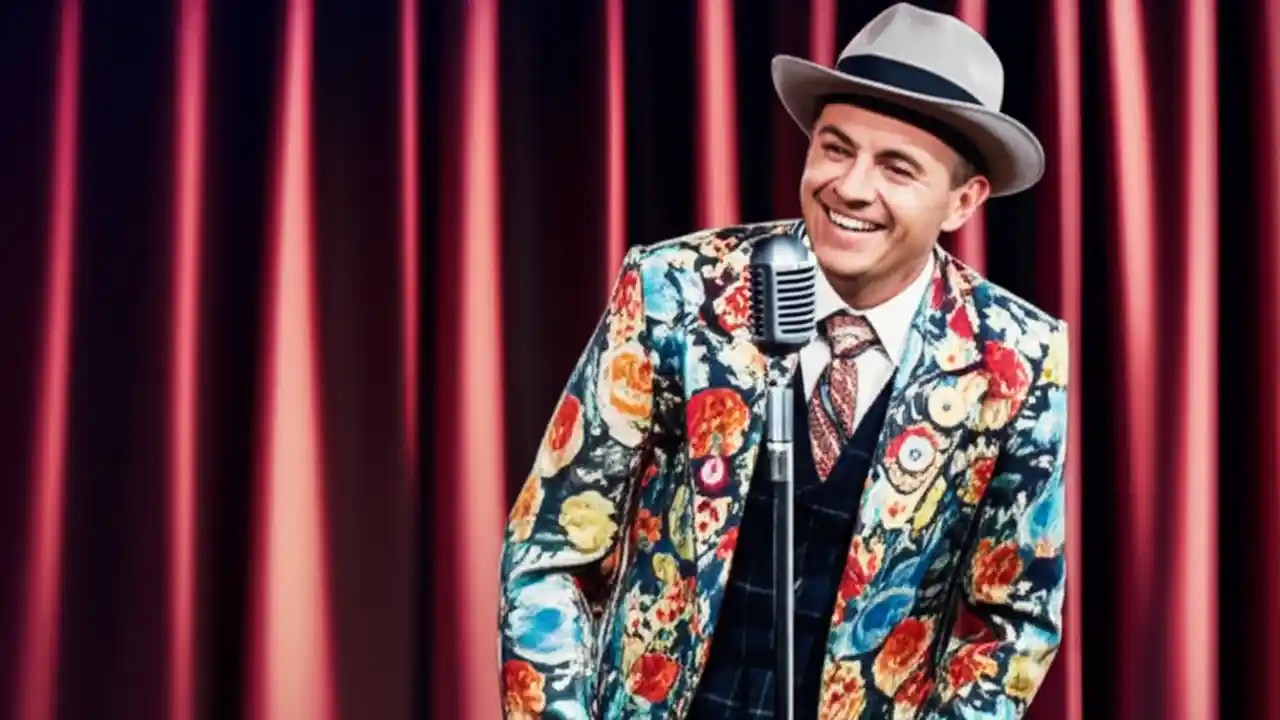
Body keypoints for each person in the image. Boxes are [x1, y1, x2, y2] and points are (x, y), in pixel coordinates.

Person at [497, 3, 1068, 718]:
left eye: (897, 168)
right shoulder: (678, 290)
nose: (851, 187)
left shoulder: (1016, 358)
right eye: (835, 148)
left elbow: (1014, 623)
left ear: (963, 201)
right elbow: (549, 551)